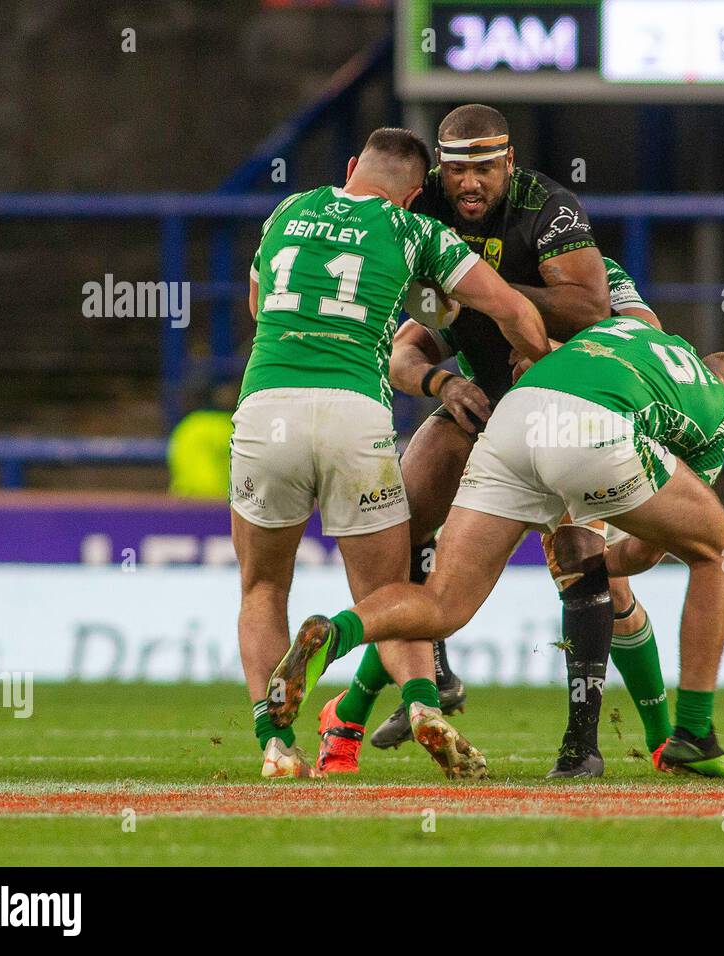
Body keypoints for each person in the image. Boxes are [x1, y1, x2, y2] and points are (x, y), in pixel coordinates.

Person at [270, 317, 724, 778]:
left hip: (512, 416)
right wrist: (602, 564)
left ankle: (335, 632)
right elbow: (648, 550)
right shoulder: (716, 408)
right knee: (721, 546)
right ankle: (693, 732)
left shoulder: (629, 331)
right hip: (593, 431)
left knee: (441, 604)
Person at [233, 127, 548, 780]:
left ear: (351, 167)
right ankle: (424, 704)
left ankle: (275, 745)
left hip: (270, 406)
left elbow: (260, 304)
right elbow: (509, 306)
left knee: (264, 584)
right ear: (412, 196)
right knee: (389, 587)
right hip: (354, 415)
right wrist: (540, 364)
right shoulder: (415, 233)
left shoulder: (288, 211)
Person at [335, 103, 623, 777]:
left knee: (584, 559)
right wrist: (443, 385)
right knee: (394, 522)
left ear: (509, 164)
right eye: (457, 170)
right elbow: (404, 354)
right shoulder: (420, 203)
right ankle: (430, 679)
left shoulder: (546, 207)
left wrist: (483, 291)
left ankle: (584, 746)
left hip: (561, 402)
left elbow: (589, 307)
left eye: (484, 171)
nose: (469, 185)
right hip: (484, 405)